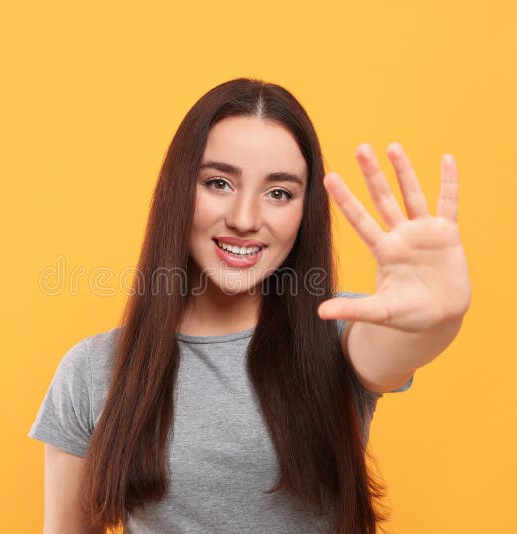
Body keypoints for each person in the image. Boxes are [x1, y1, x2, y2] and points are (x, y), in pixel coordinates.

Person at [28, 78, 471, 534]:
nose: (244, 219)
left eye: (279, 192)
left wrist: (438, 317)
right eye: (218, 183)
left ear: (305, 211)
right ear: (178, 190)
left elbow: (398, 344)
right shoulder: (91, 370)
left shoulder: (338, 332)